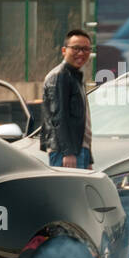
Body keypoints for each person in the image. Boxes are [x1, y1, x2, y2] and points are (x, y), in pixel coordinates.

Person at [40, 29, 93, 169]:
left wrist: (89, 158)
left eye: (86, 49)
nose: (81, 53)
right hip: (66, 153)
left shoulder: (75, 76)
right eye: (76, 48)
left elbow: (84, 123)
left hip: (80, 150)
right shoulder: (59, 76)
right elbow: (58, 117)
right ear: (64, 50)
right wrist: (67, 152)